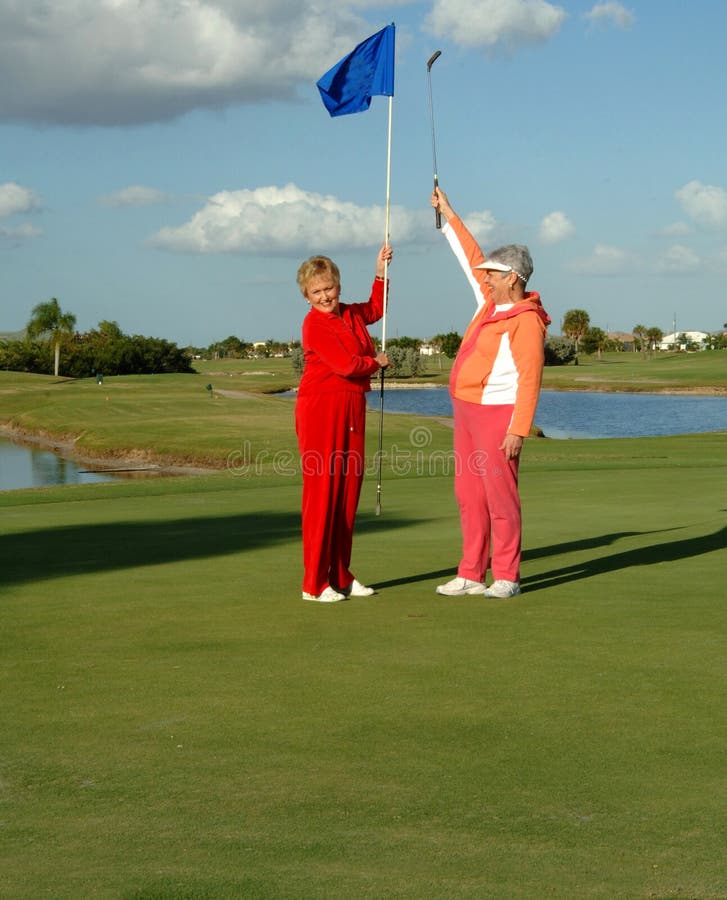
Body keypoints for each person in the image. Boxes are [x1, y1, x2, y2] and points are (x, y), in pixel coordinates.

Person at [431, 186, 550, 599]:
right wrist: (449, 214)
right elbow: (470, 256)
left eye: (494, 275)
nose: (486, 278)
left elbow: (530, 379)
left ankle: (507, 575)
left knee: (500, 498)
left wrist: (519, 429)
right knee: (468, 495)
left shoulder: (526, 320)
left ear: (512, 278)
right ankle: (470, 572)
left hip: (499, 415)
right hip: (466, 411)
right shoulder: (489, 303)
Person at [295, 244, 392, 603]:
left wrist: (380, 272)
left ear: (338, 285)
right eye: (316, 291)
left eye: (329, 288)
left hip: (352, 406)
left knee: (347, 493)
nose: (325, 296)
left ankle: (340, 575)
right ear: (307, 296)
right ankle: (314, 583)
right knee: (323, 493)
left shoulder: (350, 313)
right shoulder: (314, 324)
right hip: (321, 409)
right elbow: (347, 364)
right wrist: (376, 362)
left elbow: (376, 309)